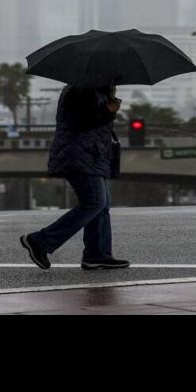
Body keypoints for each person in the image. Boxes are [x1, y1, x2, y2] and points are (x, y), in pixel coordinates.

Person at [20, 82, 128, 271]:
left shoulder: (94, 89)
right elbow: (84, 122)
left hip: (93, 156)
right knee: (94, 203)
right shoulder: (81, 89)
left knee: (102, 206)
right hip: (79, 156)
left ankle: (97, 255)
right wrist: (109, 110)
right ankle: (40, 241)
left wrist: (108, 101)